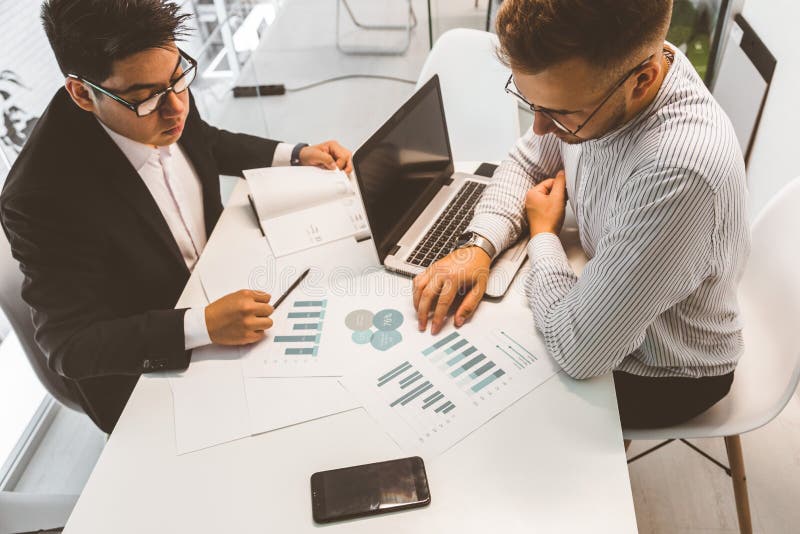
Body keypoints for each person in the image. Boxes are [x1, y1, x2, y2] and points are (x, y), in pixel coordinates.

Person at [0, 0, 354, 433]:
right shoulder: (42, 196)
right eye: (145, 98)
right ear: (81, 93)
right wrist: (201, 325)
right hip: (156, 369)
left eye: (178, 80)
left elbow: (204, 140)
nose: (176, 109)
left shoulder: (162, 87)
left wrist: (294, 155)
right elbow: (69, 347)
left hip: (222, 280)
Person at [412, 0, 749, 428]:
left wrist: (542, 236)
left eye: (560, 113)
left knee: (471, 405)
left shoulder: (681, 174)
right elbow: (526, 162)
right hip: (599, 300)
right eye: (529, 102)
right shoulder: (605, 85)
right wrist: (480, 246)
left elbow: (579, 350)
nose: (538, 128)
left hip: (664, 369)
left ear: (642, 81)